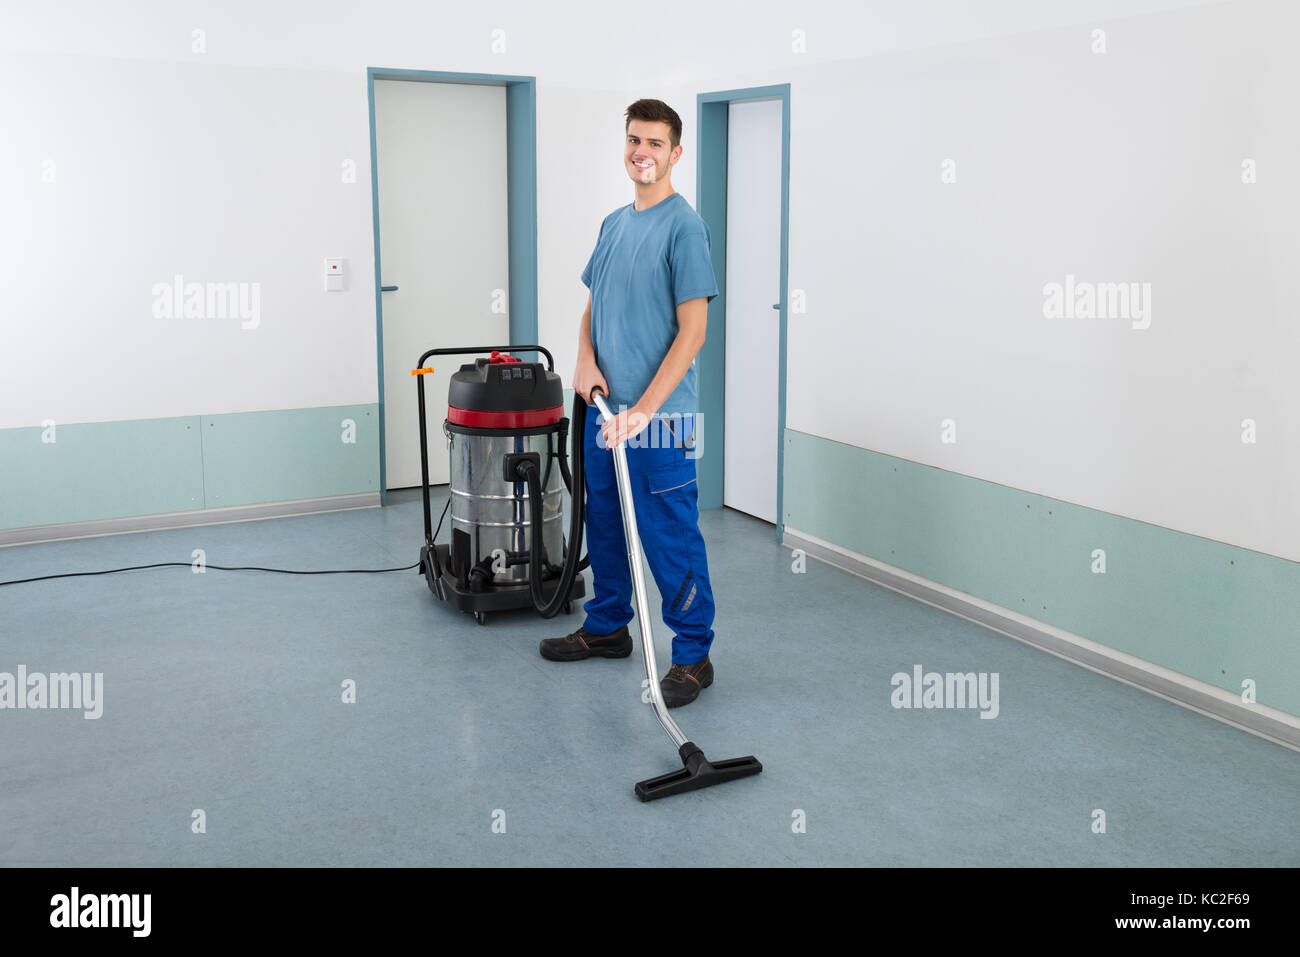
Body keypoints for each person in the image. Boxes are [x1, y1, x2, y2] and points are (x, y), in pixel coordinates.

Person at [538, 98, 719, 708]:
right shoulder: (614, 224)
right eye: (634, 141)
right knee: (607, 525)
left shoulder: (684, 227)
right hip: (605, 413)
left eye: (655, 144)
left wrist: (644, 408)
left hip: (660, 422)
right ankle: (609, 627)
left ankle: (693, 656)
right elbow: (594, 306)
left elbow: (692, 332)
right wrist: (583, 359)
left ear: (675, 153)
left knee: (670, 537)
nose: (642, 152)